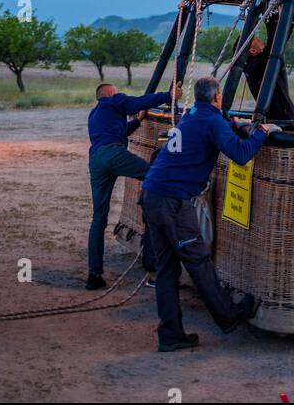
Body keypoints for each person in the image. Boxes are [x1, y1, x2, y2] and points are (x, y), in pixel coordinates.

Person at [141, 75, 280, 351]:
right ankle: (228, 316)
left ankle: (170, 334)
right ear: (217, 98)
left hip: (152, 195)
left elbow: (208, 129)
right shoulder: (211, 120)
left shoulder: (192, 114)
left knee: (166, 268)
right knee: (199, 260)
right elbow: (241, 154)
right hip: (173, 202)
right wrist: (263, 132)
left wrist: (231, 124)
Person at [86, 80, 181, 289]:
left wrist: (137, 122)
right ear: (110, 94)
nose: (121, 96)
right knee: (154, 177)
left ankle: (94, 275)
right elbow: (136, 102)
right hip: (113, 154)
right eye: (118, 93)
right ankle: (151, 211)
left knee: (98, 218)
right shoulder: (114, 101)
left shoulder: (94, 115)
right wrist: (168, 96)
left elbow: (116, 132)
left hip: (96, 161)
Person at [241, 27, 294, 121]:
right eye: (254, 39)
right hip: (282, 117)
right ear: (252, 50)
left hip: (274, 115)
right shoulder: (261, 62)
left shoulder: (252, 65)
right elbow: (279, 38)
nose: (257, 38)